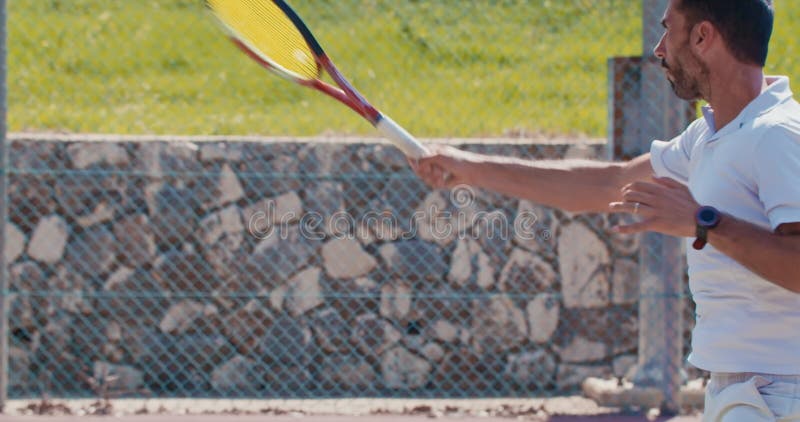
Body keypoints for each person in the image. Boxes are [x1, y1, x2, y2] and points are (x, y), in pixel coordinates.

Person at [410, 0, 800, 421]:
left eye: (669, 29)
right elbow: (606, 184)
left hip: (778, 393)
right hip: (744, 393)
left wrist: (703, 222)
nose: (658, 48)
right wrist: (469, 168)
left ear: (703, 36)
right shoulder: (708, 137)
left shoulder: (777, 135)